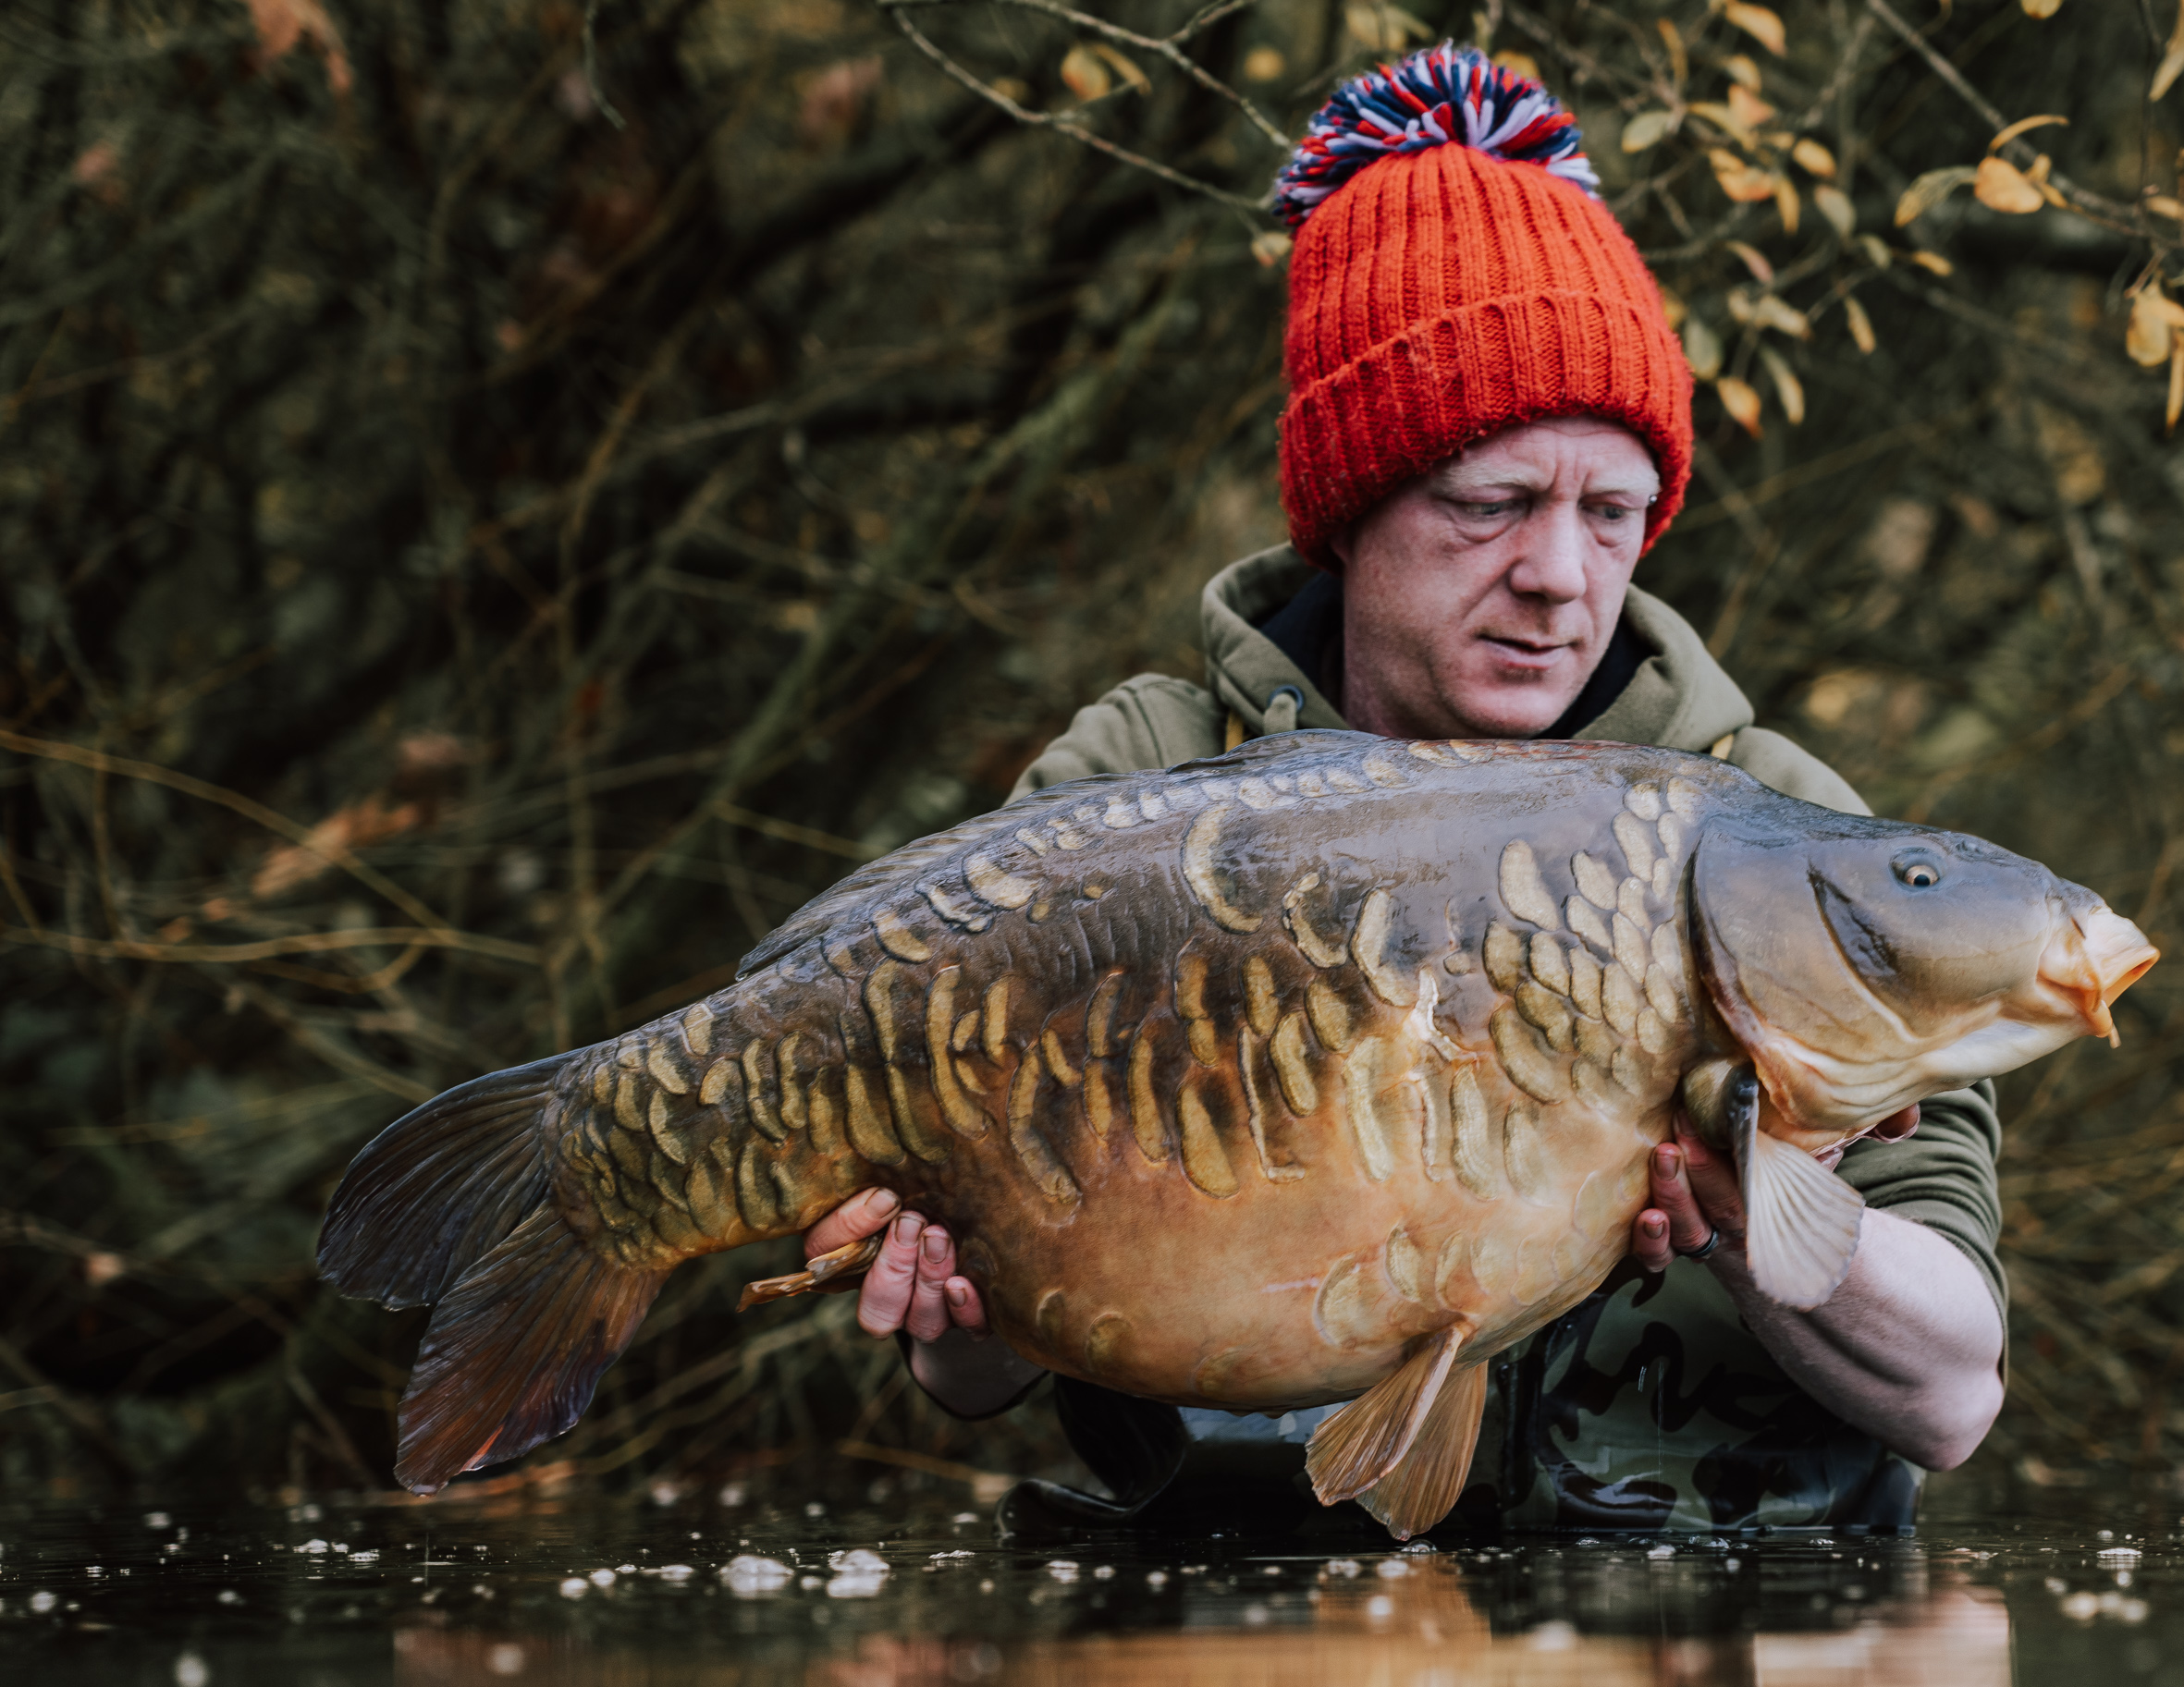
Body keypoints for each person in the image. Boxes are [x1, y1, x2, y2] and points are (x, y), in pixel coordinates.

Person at [800, 44, 2004, 1536]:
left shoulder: (1773, 838)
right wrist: (957, 1311)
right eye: (1489, 502)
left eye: (1610, 511)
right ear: (1352, 511)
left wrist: (1759, 1203)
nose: (1558, 575)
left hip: (1716, 1607)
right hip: (1243, 1597)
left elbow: (1952, 1393)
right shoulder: (1132, 791)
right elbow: (975, 1379)